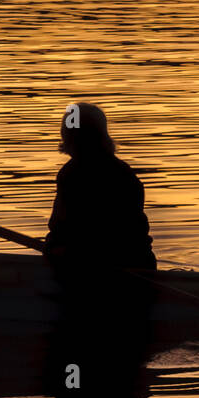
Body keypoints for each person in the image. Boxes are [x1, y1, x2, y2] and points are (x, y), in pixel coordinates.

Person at [45, 102, 157, 277]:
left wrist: (51, 248)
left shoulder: (72, 175)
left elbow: (61, 229)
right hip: (140, 263)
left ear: (70, 136)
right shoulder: (125, 172)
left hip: (95, 268)